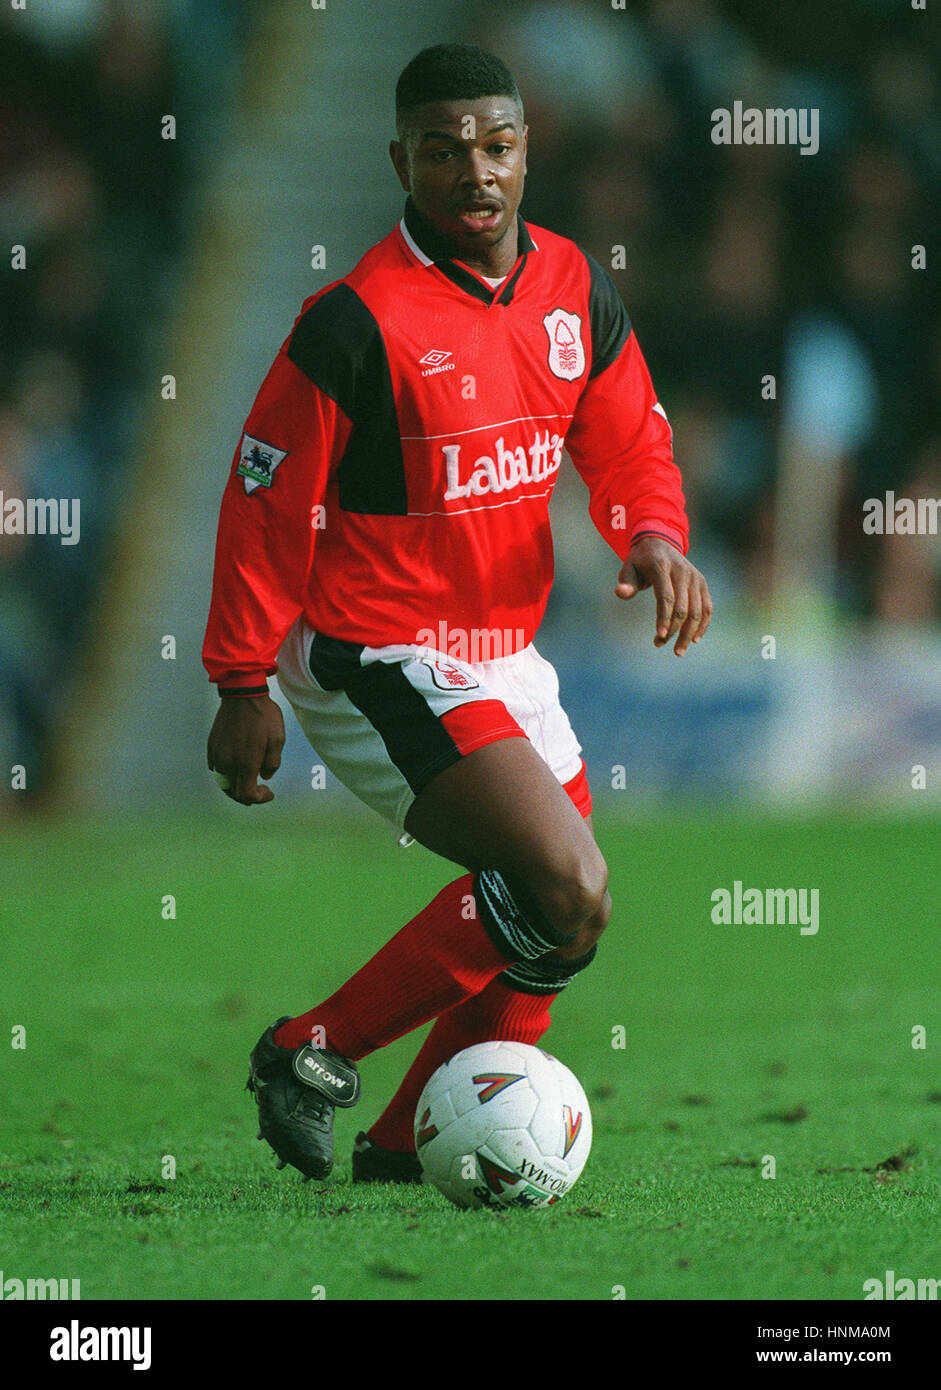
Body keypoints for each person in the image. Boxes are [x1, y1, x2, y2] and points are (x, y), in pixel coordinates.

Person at [202, 44, 712, 1185]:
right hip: (379, 651)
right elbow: (265, 497)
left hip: (503, 656)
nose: (472, 172)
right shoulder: (352, 322)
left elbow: (626, 434)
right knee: (563, 881)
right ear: (401, 160)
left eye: (495, 144)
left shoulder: (572, 286)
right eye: (442, 150)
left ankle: (397, 1146)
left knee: (566, 917)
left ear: (526, 149)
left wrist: (651, 531)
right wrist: (240, 678)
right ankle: (303, 1050)